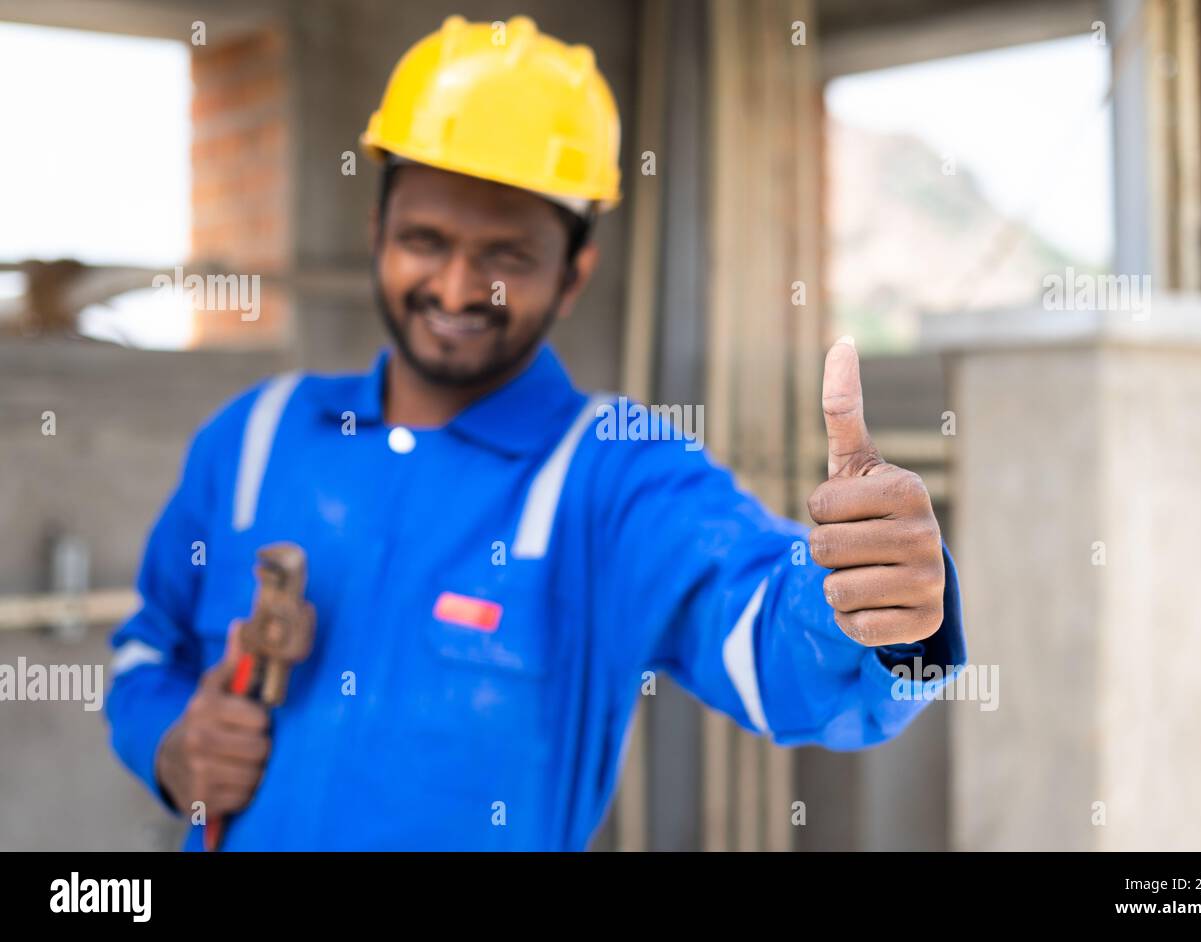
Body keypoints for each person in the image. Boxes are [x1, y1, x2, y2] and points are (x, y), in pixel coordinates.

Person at [105, 15, 966, 851]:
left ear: (573, 272)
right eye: (423, 239)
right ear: (377, 233)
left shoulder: (616, 476)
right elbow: (146, 648)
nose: (454, 286)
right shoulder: (256, 438)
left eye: (506, 255)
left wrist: (873, 606)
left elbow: (768, 636)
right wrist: (170, 744)